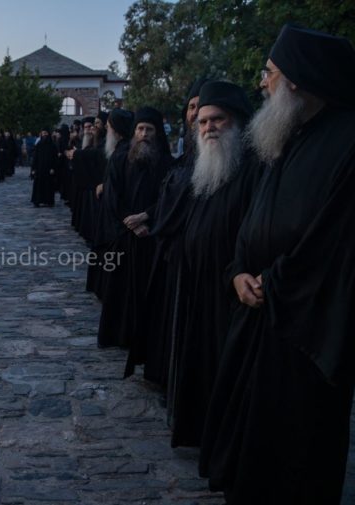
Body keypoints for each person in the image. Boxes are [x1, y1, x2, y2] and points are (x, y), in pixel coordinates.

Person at [199, 25, 355, 504]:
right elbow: (255, 223)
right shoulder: (287, 138)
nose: (261, 83)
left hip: (300, 334)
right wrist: (238, 272)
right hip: (255, 316)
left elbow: (335, 246)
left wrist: (272, 282)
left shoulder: (348, 143)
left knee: (291, 466)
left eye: (269, 73)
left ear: (297, 80)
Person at [169, 80, 259, 448]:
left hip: (232, 296)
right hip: (199, 289)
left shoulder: (254, 168)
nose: (208, 128)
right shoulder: (206, 169)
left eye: (217, 120)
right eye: (203, 122)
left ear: (237, 121)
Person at [141, 78, 210, 391]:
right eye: (192, 108)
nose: (196, 116)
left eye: (205, 110)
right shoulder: (187, 158)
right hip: (172, 257)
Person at [99, 107, 171, 351]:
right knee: (119, 290)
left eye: (148, 129)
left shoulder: (166, 163)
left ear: (156, 133)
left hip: (151, 235)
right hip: (123, 234)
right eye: (140, 129)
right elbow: (112, 195)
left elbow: (169, 197)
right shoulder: (120, 159)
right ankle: (118, 335)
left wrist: (146, 217)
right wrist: (128, 221)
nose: (143, 134)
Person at [85, 109, 134, 300]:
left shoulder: (123, 152)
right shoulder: (121, 150)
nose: (106, 128)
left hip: (115, 217)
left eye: (109, 126)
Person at [30, 128, 58, 207]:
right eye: (43, 133)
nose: (44, 135)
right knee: (38, 185)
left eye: (45, 133)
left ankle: (48, 201)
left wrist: (53, 168)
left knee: (48, 185)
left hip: (48, 169)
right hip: (39, 169)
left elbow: (55, 158)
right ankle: (37, 201)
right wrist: (33, 169)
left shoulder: (52, 145)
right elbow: (35, 157)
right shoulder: (39, 144)